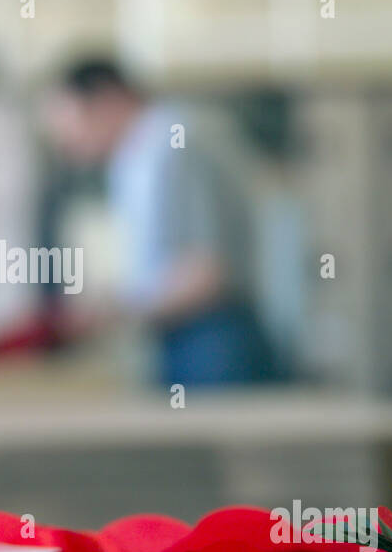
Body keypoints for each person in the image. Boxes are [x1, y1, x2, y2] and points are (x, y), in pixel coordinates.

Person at [43, 57, 276, 386]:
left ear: (108, 101)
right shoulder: (138, 156)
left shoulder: (173, 144)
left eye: (71, 123)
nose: (68, 143)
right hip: (183, 336)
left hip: (213, 341)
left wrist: (116, 312)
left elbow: (207, 272)